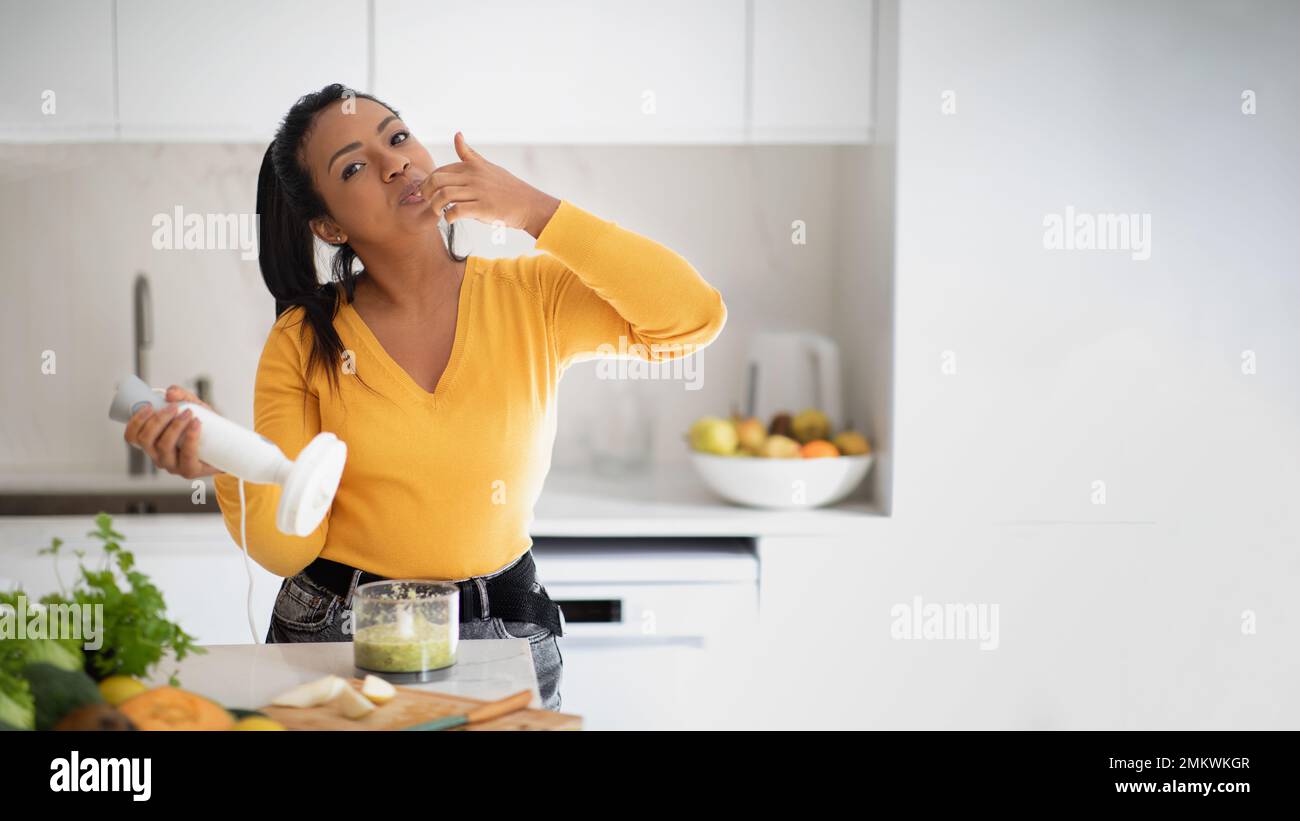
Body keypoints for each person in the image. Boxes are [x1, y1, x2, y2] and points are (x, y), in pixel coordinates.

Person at [123, 83, 728, 713]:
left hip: (503, 624)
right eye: (354, 167)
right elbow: (289, 546)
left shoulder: (532, 296)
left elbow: (692, 318)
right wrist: (231, 459)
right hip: (336, 632)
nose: (395, 164)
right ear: (328, 224)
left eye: (397, 136)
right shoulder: (305, 339)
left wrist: (535, 212)